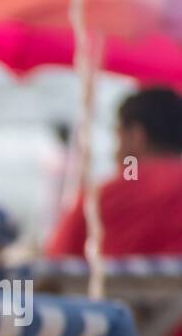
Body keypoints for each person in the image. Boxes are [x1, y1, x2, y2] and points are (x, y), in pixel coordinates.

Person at [46, 86, 182, 258]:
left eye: (118, 137)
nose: (115, 153)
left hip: (112, 284)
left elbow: (55, 262)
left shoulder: (99, 200)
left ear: (136, 136)